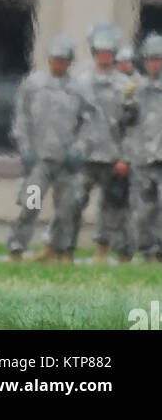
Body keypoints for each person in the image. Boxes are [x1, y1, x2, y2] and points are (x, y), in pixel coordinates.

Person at [7, 35, 93, 262]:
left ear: (69, 62)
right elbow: (21, 119)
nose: (58, 64)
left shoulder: (78, 89)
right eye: (55, 59)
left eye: (63, 60)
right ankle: (17, 248)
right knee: (31, 205)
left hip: (67, 164)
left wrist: (79, 148)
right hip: (40, 163)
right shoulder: (33, 85)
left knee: (67, 209)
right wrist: (25, 148)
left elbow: (89, 124)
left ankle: (59, 250)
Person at [71, 27, 132, 263]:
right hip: (83, 156)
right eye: (100, 51)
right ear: (94, 52)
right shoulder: (80, 83)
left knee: (110, 208)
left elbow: (130, 127)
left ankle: (101, 251)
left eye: (109, 52)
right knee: (72, 202)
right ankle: (64, 250)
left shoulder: (126, 86)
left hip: (112, 156)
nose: (104, 56)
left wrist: (125, 157)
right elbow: (71, 119)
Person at [121, 32, 162, 261]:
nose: (153, 64)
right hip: (143, 159)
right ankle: (147, 252)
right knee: (143, 212)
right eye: (149, 59)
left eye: (157, 59)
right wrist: (126, 102)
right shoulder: (137, 88)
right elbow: (126, 124)